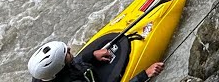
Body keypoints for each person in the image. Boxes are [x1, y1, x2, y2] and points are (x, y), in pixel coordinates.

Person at [27, 40, 165, 82]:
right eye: (67, 53)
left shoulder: (41, 76)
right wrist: (145, 74)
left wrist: (91, 56)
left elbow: (71, 65)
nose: (69, 49)